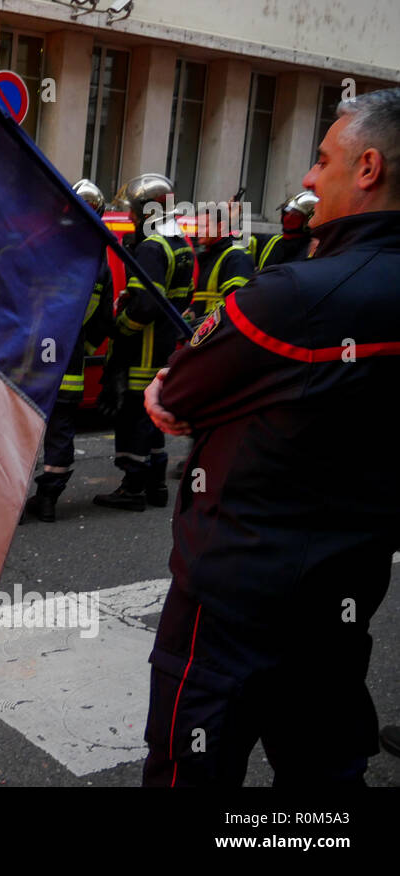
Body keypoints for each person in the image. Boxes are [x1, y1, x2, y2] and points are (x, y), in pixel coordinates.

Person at [141, 87, 400, 786]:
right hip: (344, 596)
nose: (310, 179)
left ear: (368, 168)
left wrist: (175, 388)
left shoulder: (296, 295)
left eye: (322, 159)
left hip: (233, 601)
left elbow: (182, 391)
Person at [93, 173, 193, 512]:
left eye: (134, 211)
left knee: (133, 418)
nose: (131, 218)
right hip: (164, 347)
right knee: (152, 420)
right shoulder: (177, 244)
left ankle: (132, 488)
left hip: (142, 350)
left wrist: (121, 326)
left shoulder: (151, 247)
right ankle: (156, 486)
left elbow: (146, 306)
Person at [23, 179, 112, 522]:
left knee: (21, 430)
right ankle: (48, 500)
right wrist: (82, 345)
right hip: (68, 363)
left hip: (30, 359)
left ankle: (12, 504)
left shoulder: (45, 246)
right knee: (61, 431)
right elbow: (102, 317)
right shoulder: (99, 258)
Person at [184, 203, 254, 325]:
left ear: (221, 227)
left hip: (219, 333)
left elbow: (236, 303)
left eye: (203, 226)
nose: (197, 231)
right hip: (199, 333)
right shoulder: (205, 256)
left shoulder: (236, 257)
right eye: (197, 226)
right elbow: (200, 301)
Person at [250, 191, 318, 270]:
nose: (287, 219)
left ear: (308, 221)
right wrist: (234, 219)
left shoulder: (312, 250)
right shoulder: (271, 241)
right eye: (285, 213)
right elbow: (241, 242)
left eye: (295, 216)